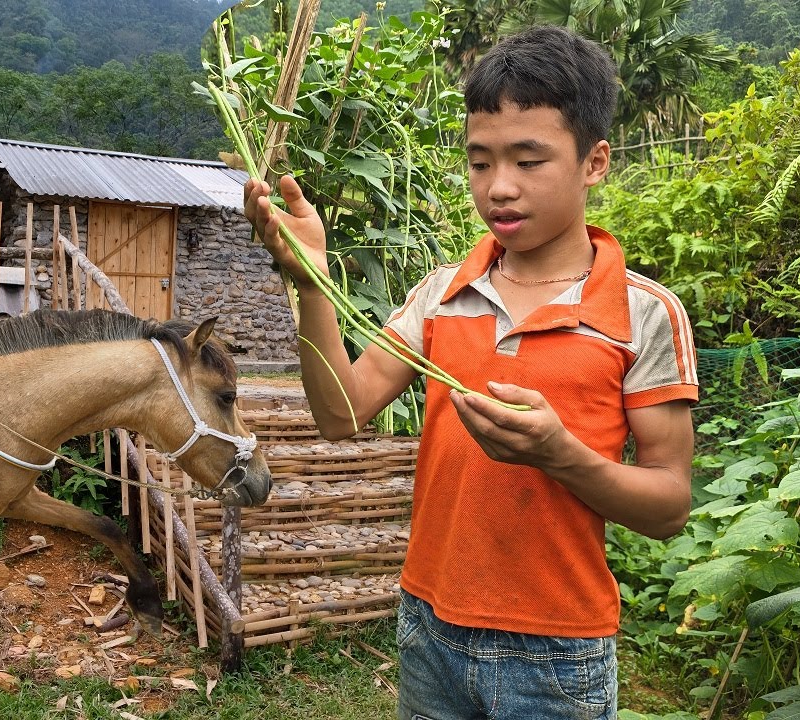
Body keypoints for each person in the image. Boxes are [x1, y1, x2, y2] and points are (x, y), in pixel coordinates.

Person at [243, 26, 697, 719]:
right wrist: (310, 283)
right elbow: (342, 414)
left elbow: (668, 507)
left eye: (528, 160)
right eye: (480, 163)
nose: (500, 188)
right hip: (429, 625)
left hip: (558, 651)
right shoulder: (442, 292)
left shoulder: (644, 312)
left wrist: (562, 457)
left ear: (595, 162)